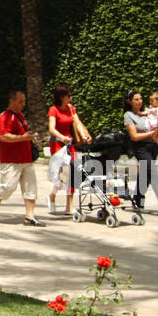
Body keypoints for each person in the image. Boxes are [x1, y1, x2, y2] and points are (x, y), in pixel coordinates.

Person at [0, 88, 41, 226]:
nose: (23, 104)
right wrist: (23, 137)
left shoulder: (20, 116)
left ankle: (29, 216)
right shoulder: (4, 116)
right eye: (20, 102)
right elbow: (4, 136)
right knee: (8, 188)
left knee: (31, 188)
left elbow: (23, 135)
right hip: (11, 159)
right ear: (11, 101)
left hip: (26, 158)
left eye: (24, 102)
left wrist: (29, 137)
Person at [124, 90, 158, 217]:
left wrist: (157, 137)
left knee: (145, 174)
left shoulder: (148, 111)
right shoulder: (128, 115)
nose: (139, 101)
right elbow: (134, 136)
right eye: (136, 99)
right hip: (140, 147)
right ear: (129, 101)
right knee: (153, 173)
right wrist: (151, 134)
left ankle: (137, 201)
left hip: (152, 146)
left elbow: (157, 123)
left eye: (140, 98)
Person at [47, 84, 90, 217]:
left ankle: (69, 206)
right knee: (63, 175)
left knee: (72, 172)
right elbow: (52, 128)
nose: (70, 98)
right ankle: (52, 195)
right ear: (61, 97)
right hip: (58, 145)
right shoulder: (53, 110)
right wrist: (62, 137)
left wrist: (83, 137)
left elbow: (77, 123)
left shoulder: (71, 108)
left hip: (71, 144)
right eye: (68, 95)